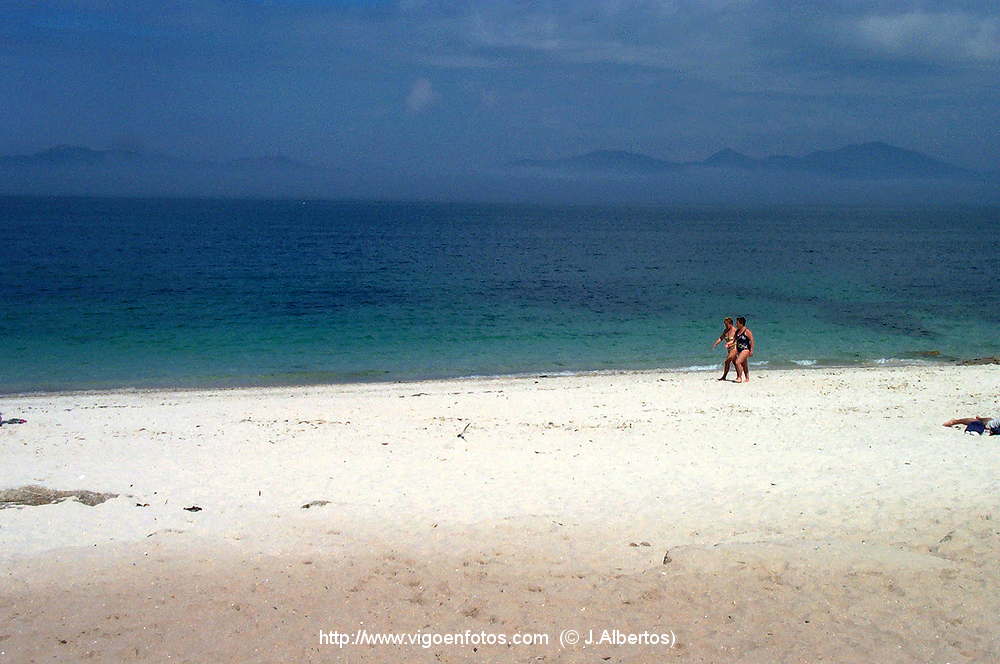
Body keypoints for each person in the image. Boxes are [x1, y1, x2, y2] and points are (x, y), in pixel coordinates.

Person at [732, 316, 755, 383]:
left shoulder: (747, 331)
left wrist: (751, 350)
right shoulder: (737, 331)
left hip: (745, 349)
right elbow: (734, 340)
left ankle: (739, 377)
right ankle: (747, 378)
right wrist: (729, 344)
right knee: (744, 364)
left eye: (737, 323)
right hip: (739, 349)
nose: (736, 324)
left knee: (737, 362)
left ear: (741, 323)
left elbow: (751, 340)